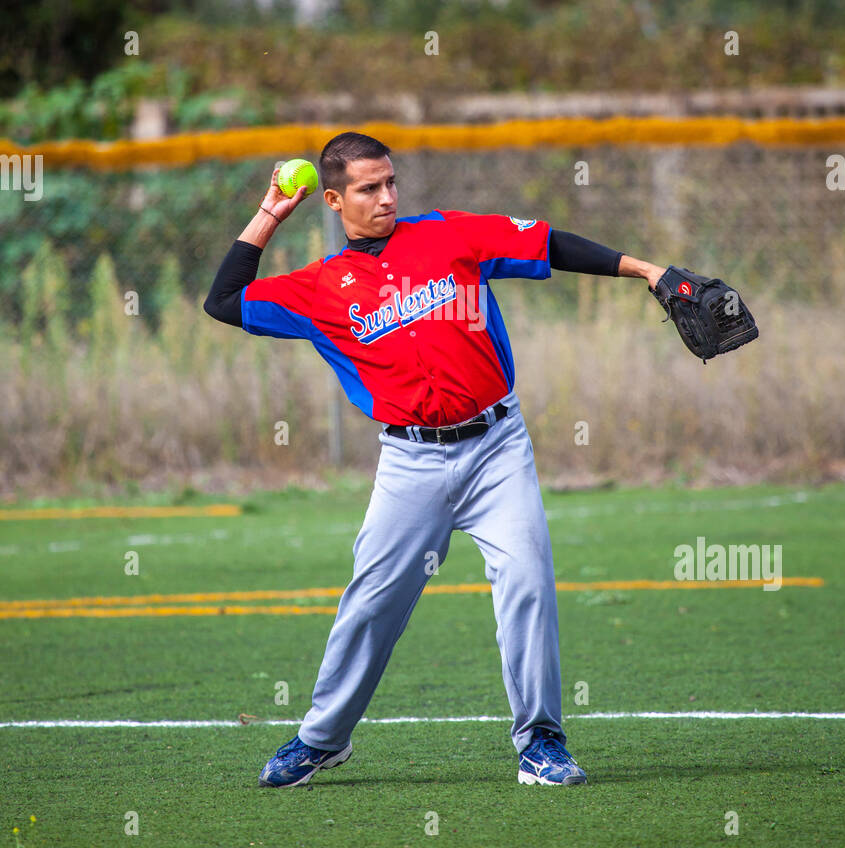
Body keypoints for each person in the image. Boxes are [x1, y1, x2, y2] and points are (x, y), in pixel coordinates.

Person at [204, 131, 665, 787]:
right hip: (410, 465)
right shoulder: (319, 288)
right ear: (332, 199)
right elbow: (222, 301)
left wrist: (646, 271)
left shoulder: (448, 235)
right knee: (372, 604)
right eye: (368, 187)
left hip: (497, 447)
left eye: (391, 182)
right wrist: (272, 212)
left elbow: (547, 243)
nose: (386, 196)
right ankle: (322, 738)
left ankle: (541, 743)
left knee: (527, 583)